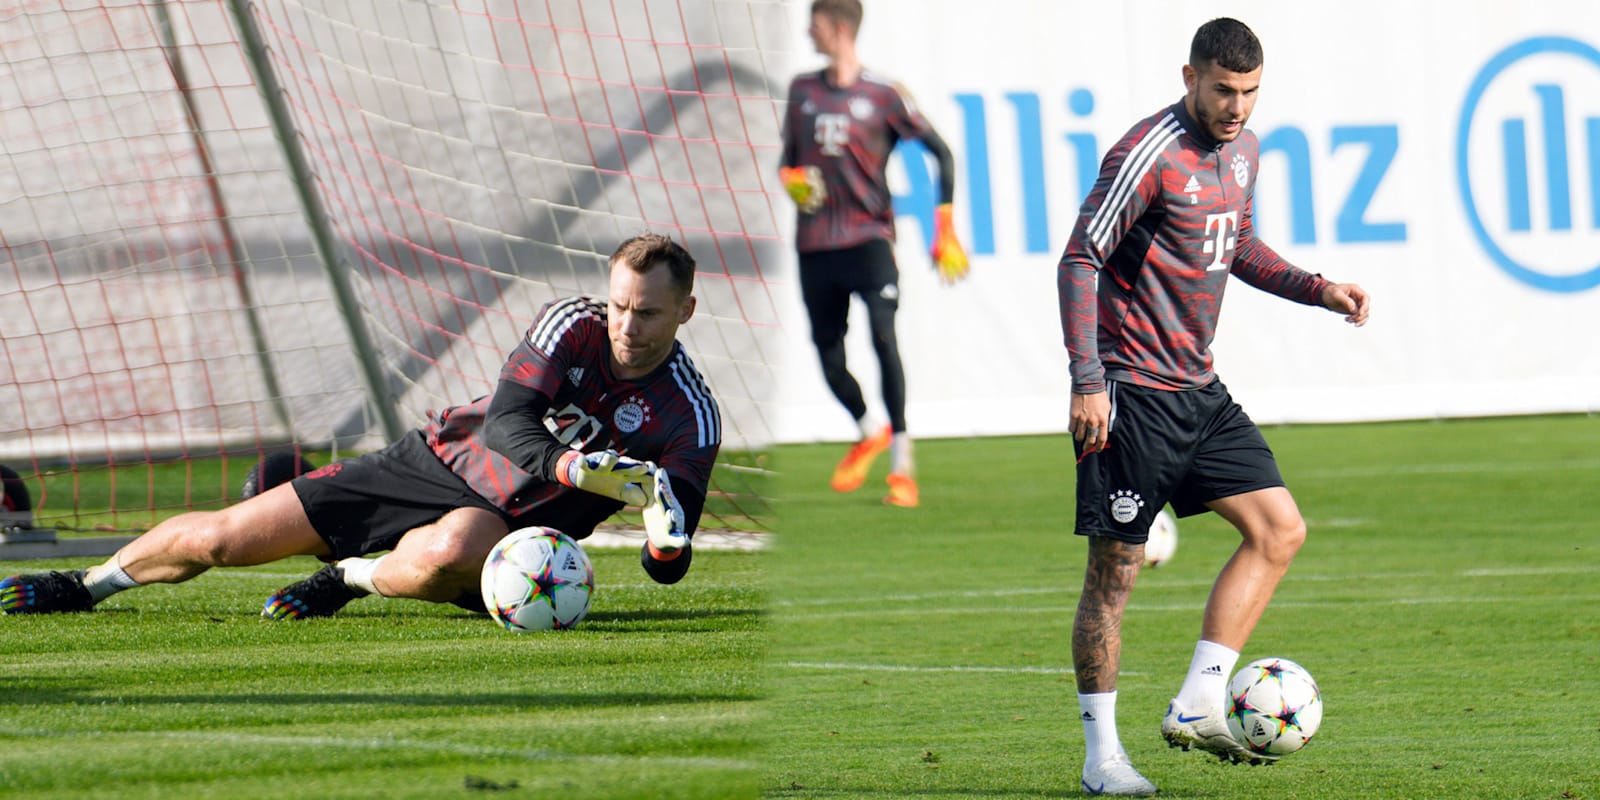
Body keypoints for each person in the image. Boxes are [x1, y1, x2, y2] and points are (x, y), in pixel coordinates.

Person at [1, 234, 720, 618]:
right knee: (221, 539)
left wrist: (663, 533)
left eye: (648, 312)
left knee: (451, 549)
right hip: (429, 463)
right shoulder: (572, 323)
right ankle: (87, 585)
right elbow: (506, 424)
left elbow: (670, 568)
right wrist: (576, 469)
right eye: (620, 303)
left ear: (684, 311)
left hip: (500, 537)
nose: (626, 324)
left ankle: (350, 575)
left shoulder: (690, 416)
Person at [1058, 18, 1370, 796]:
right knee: (1115, 576)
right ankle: (1103, 760)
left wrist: (1317, 288)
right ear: (1190, 75)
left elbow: (1242, 247)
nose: (1236, 107)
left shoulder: (1246, 151)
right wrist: (1088, 378)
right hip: (1131, 394)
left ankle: (1200, 702)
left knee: (1279, 529)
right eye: (1224, 90)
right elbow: (1080, 256)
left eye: (1250, 93)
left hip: (1198, 390)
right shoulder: (1146, 155)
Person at [779, 0, 969, 508]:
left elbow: (942, 152)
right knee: (828, 353)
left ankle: (903, 467)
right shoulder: (801, 92)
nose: (808, 32)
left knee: (885, 336)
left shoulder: (883, 94)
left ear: (838, 28)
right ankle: (867, 429)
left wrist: (943, 228)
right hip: (816, 243)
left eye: (814, 24)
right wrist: (792, 182)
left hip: (868, 238)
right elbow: (787, 163)